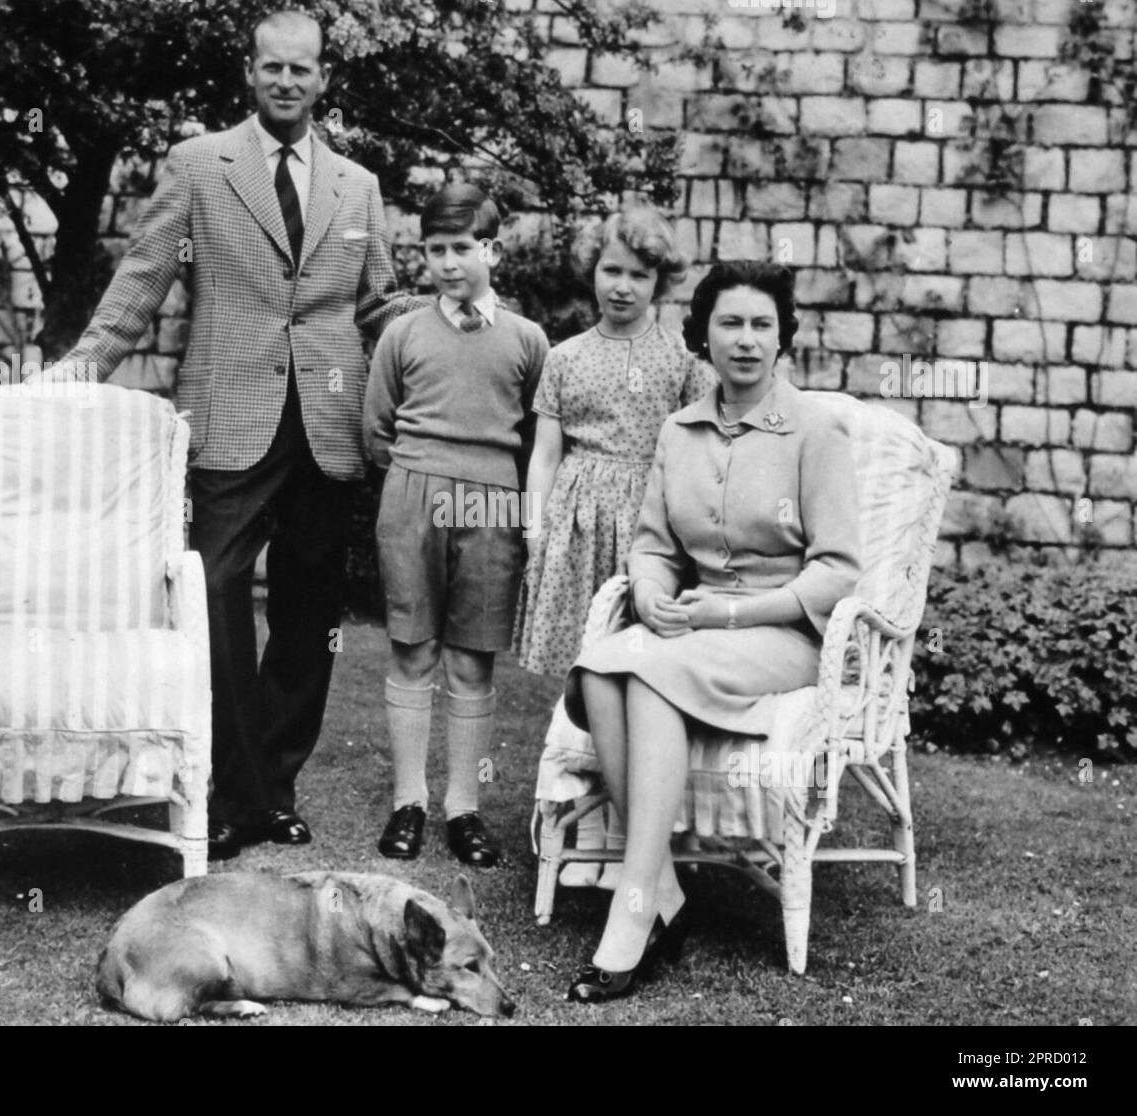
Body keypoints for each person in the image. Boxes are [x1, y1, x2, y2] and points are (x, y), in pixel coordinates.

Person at [49, 10, 422, 858]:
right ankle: (231, 790)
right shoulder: (198, 166)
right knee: (213, 595)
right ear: (249, 74)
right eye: (272, 68)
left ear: (324, 78)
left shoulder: (357, 186)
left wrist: (448, 325)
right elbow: (143, 275)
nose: (287, 81)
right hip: (228, 414)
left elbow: (377, 303)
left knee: (308, 610)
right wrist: (80, 366)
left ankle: (271, 790)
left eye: (303, 69)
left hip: (328, 417)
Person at [561, 261, 861, 1002]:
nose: (747, 340)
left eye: (763, 325)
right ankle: (662, 886)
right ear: (704, 335)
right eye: (731, 323)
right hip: (694, 628)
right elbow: (653, 544)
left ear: (784, 337)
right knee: (602, 666)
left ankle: (632, 916)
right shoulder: (680, 430)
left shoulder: (816, 432)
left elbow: (836, 571)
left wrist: (729, 612)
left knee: (654, 674)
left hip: (781, 633)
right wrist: (656, 593)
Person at [514, 207, 712, 887]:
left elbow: (699, 450)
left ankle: (636, 831)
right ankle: (578, 824)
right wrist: (534, 527)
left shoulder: (682, 364)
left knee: (636, 673)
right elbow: (543, 455)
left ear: (660, 281)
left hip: (648, 529)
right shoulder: (564, 357)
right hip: (577, 522)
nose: (622, 286)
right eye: (611, 271)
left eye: (638, 274)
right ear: (591, 273)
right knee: (582, 676)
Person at [363, 183, 548, 867]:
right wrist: (421, 476)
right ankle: (408, 800)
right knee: (413, 648)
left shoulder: (527, 339)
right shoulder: (404, 331)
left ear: (491, 250)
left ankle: (463, 806)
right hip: (413, 490)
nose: (447, 262)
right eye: (435, 249)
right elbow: (376, 428)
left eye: (462, 248)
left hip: (494, 500)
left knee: (471, 656)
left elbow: (539, 436)